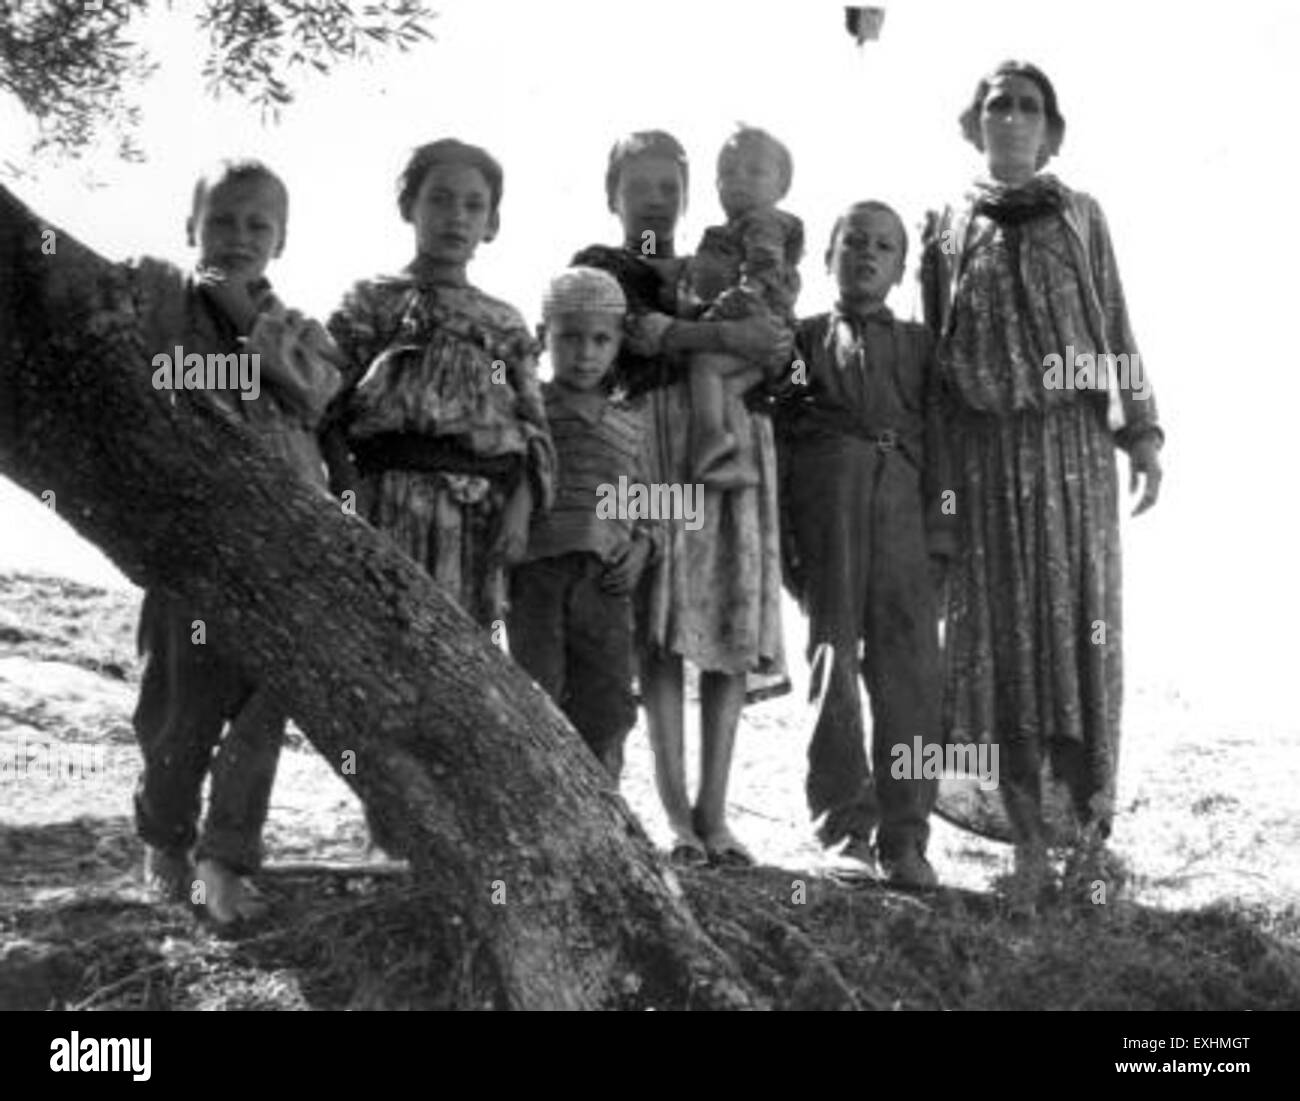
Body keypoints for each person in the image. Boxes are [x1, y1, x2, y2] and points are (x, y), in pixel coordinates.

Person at [920, 61, 1164, 910]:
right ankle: (1026, 844)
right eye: (998, 105)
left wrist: (1142, 429)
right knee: (1006, 649)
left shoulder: (1080, 216)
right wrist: (939, 492)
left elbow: (1117, 322)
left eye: (1029, 107)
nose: (1013, 118)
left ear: (1052, 130)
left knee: (1076, 640)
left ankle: (1089, 840)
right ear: (973, 123)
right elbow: (935, 367)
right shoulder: (947, 226)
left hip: (1071, 451)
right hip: (986, 458)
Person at [322, 138, 555, 855]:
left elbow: (533, 430)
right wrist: (351, 488)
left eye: (474, 205)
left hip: (479, 514)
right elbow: (327, 407)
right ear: (409, 207)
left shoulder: (506, 322)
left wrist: (520, 508)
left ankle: (461, 834)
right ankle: (393, 832)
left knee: (467, 670)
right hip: (390, 501)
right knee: (390, 668)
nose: (456, 216)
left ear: (492, 223)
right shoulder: (372, 301)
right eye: (440, 199)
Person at [131, 158, 343, 925]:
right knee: (181, 709)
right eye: (221, 220)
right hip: (192, 542)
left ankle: (226, 859)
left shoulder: (295, 328)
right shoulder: (163, 306)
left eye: (258, 225)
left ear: (281, 241)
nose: (239, 237)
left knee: (262, 710)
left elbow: (319, 390)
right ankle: (164, 838)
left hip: (283, 552)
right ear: (192, 227)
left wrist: (250, 321)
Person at [574, 130, 789, 867]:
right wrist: (734, 334)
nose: (657, 198)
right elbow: (636, 337)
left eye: (670, 185)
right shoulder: (602, 267)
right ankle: (674, 815)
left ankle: (716, 810)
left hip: (740, 436)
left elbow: (778, 348)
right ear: (614, 195)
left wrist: (740, 340)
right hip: (655, 439)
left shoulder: (719, 254)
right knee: (662, 627)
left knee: (731, 618)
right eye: (641, 185)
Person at [776, 201, 951, 889]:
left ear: (902, 266)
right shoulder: (802, 342)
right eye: (853, 242)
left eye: (884, 245)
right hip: (829, 510)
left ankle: (906, 838)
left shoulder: (921, 346)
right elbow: (783, 430)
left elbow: (943, 442)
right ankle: (845, 829)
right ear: (828, 256)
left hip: (903, 513)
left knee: (911, 676)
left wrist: (944, 532)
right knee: (835, 661)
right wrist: (790, 532)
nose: (867, 254)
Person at [509, 267, 658, 782]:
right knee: (537, 694)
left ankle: (602, 805)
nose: (585, 353)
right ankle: (539, 802)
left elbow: (650, 504)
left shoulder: (630, 420)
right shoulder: (529, 408)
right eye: (570, 337)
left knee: (609, 699)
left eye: (601, 339)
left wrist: (643, 548)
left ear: (618, 344)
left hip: (605, 584)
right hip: (538, 576)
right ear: (544, 336)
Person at [682, 126, 804, 487]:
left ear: (781, 187)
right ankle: (738, 459)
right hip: (766, 334)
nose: (739, 180)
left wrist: (743, 295)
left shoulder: (763, 221)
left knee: (704, 365)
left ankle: (711, 438)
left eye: (755, 172)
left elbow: (764, 264)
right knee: (729, 391)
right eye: (728, 172)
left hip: (759, 321)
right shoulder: (729, 230)